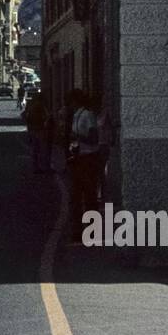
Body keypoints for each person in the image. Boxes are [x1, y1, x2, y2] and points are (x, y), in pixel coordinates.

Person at [66, 88, 100, 241]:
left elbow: (94, 138)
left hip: (88, 159)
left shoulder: (87, 115)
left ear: (75, 101)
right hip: (78, 158)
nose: (69, 105)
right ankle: (78, 231)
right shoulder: (76, 115)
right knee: (75, 196)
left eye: (70, 102)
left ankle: (93, 230)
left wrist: (77, 137)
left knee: (89, 195)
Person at [25, 91, 52, 172]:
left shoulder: (30, 105)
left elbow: (25, 116)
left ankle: (35, 167)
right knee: (43, 149)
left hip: (32, 129)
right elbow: (47, 116)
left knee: (35, 149)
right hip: (40, 129)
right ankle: (45, 166)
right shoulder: (40, 106)